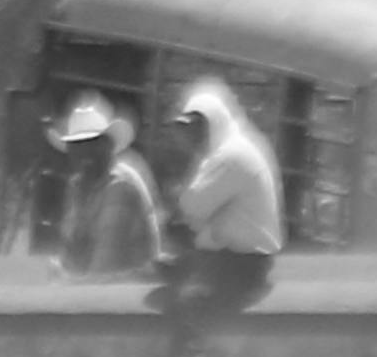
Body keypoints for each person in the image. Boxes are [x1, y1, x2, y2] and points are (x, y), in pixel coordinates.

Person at [154, 77, 283, 317]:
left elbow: (191, 207)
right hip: (232, 255)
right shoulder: (222, 152)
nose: (191, 135)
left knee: (185, 299)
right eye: (188, 128)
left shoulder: (230, 157)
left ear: (213, 123)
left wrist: (176, 208)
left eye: (196, 127)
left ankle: (193, 353)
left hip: (243, 262)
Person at [48, 95, 164, 280]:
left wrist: (65, 280)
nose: (85, 151)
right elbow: (70, 252)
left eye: (93, 143)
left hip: (130, 294)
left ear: (108, 146)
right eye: (77, 145)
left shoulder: (120, 186)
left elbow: (105, 265)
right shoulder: (76, 186)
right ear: (69, 150)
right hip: (104, 290)